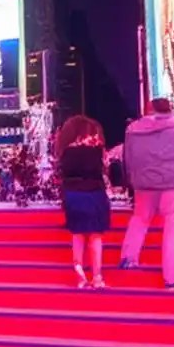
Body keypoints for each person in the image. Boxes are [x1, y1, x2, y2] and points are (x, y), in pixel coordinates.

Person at [120, 98, 174, 290]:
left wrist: (131, 180)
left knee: (140, 219)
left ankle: (128, 257)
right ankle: (173, 279)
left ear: (149, 109)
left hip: (144, 183)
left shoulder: (132, 130)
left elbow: (127, 158)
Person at [57, 116, 110, 289]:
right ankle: (97, 276)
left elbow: (63, 175)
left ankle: (80, 277)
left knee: (77, 235)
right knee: (95, 236)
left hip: (73, 194)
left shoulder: (65, 152)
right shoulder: (96, 150)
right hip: (94, 192)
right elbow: (101, 170)